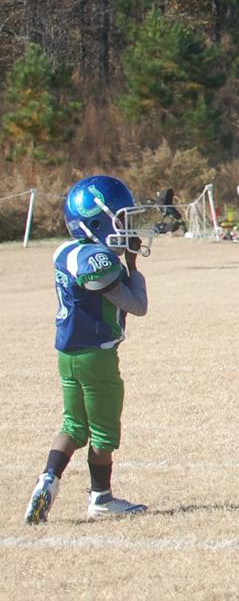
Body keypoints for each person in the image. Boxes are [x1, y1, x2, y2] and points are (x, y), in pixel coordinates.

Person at [24, 175, 150, 524]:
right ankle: (101, 498)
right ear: (98, 219)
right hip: (98, 355)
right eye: (121, 217)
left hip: (67, 355)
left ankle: (47, 480)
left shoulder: (65, 250)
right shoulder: (99, 262)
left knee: (73, 425)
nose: (125, 225)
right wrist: (133, 266)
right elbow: (137, 305)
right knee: (104, 432)